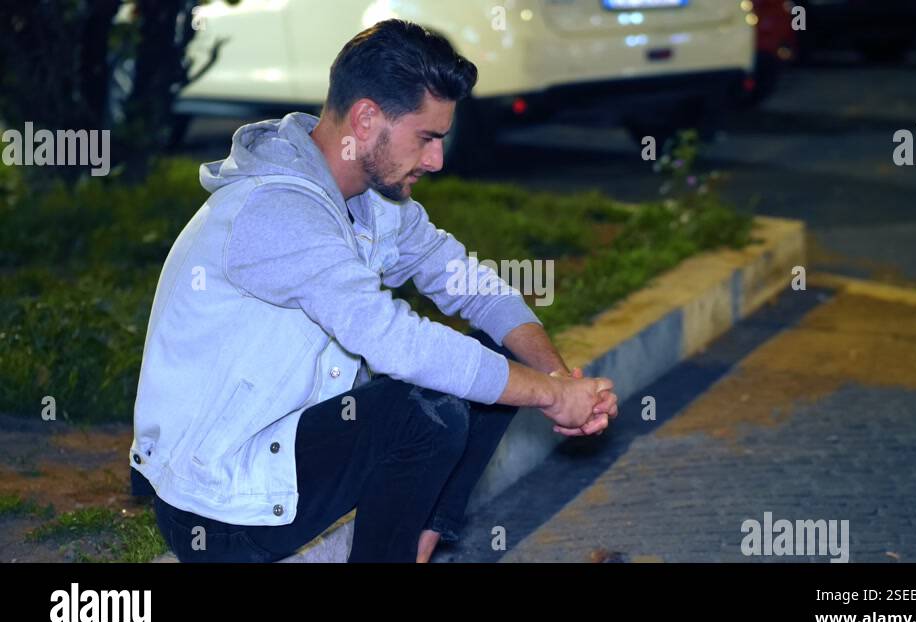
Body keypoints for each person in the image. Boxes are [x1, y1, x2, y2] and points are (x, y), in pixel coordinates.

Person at [130, 19, 618, 563]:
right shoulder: (276, 212)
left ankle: (416, 541)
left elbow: (475, 289)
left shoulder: (375, 202)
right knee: (422, 408)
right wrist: (554, 398)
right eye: (426, 138)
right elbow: (394, 342)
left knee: (486, 360)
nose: (435, 160)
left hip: (286, 451)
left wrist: (553, 376)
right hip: (219, 500)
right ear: (366, 119)